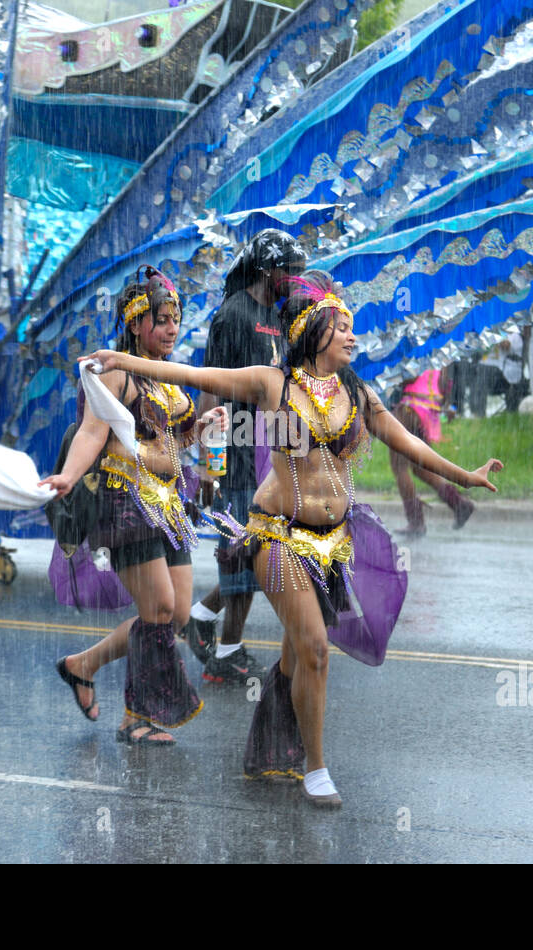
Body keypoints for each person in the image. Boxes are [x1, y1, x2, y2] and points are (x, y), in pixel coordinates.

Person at [79, 271, 503, 807]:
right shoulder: (272, 384)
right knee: (316, 651)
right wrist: (126, 361)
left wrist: (466, 476)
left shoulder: (357, 393)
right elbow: (191, 370)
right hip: (277, 538)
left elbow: (408, 443)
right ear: (314, 330)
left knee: (293, 662)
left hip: (332, 545)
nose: (352, 336)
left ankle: (273, 749)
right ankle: (317, 769)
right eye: (342, 326)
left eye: (352, 328)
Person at [41, 267, 227, 745]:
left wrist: (202, 426)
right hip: (125, 506)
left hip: (168, 505)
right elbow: (91, 432)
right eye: (162, 320)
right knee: (160, 608)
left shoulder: (166, 378)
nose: (171, 330)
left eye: (176, 320)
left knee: (176, 613)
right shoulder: (117, 374)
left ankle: (82, 666)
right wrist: (69, 475)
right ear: (136, 321)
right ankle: (136, 716)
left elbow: (172, 439)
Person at [180, 229, 306, 684]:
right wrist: (208, 462)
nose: (292, 279)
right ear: (267, 270)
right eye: (288, 271)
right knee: (242, 553)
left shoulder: (273, 316)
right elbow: (211, 386)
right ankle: (226, 649)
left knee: (256, 550)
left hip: (263, 450)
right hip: (233, 451)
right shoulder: (233, 315)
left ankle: (204, 619)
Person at [389, 367, 475, 536]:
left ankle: (416, 522)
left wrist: (395, 376)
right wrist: (445, 404)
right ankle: (458, 503)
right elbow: (444, 383)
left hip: (410, 407)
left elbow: (410, 377)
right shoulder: (437, 345)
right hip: (429, 410)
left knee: (400, 467)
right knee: (421, 468)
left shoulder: (414, 344)